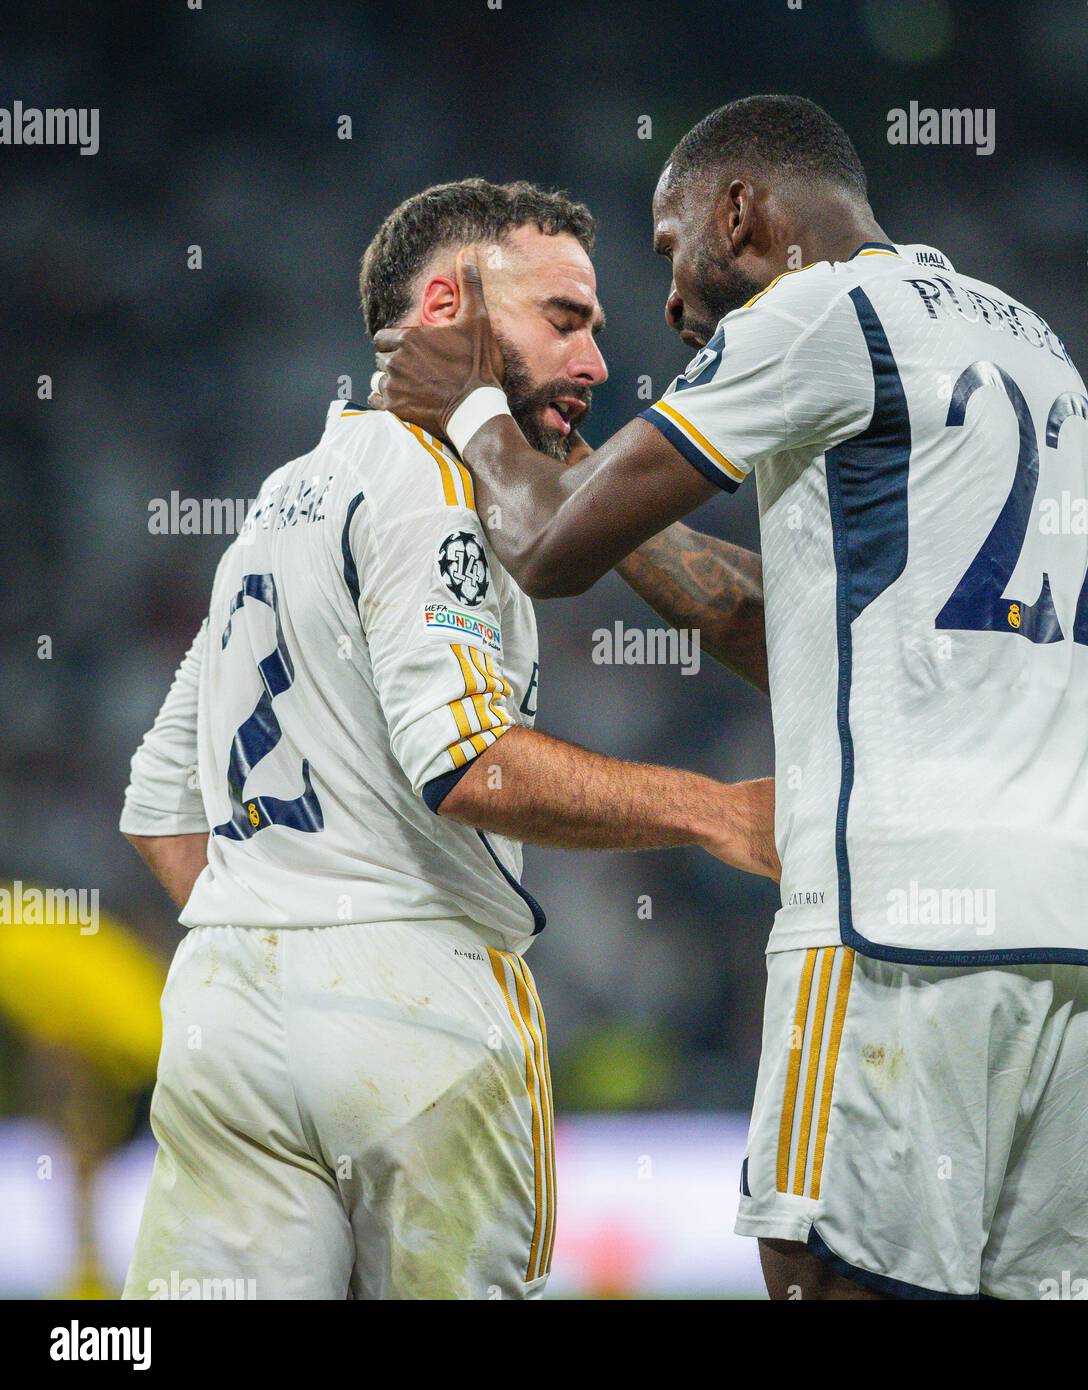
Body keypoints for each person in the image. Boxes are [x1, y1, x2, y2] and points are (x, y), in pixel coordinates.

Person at [372, 96, 1088, 1300]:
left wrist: (473, 398)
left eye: (671, 245)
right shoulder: (1030, 342)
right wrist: (589, 476)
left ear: (738, 211)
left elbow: (543, 548)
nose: (672, 304)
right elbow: (780, 621)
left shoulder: (816, 310)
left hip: (899, 924)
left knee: (824, 1283)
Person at [119, 178, 776, 1301]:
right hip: (411, 1009)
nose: (595, 364)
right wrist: (718, 813)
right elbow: (467, 760)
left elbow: (158, 804)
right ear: (447, 308)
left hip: (223, 1010)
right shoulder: (432, 486)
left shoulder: (282, 500)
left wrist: (284, 927)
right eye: (563, 320)